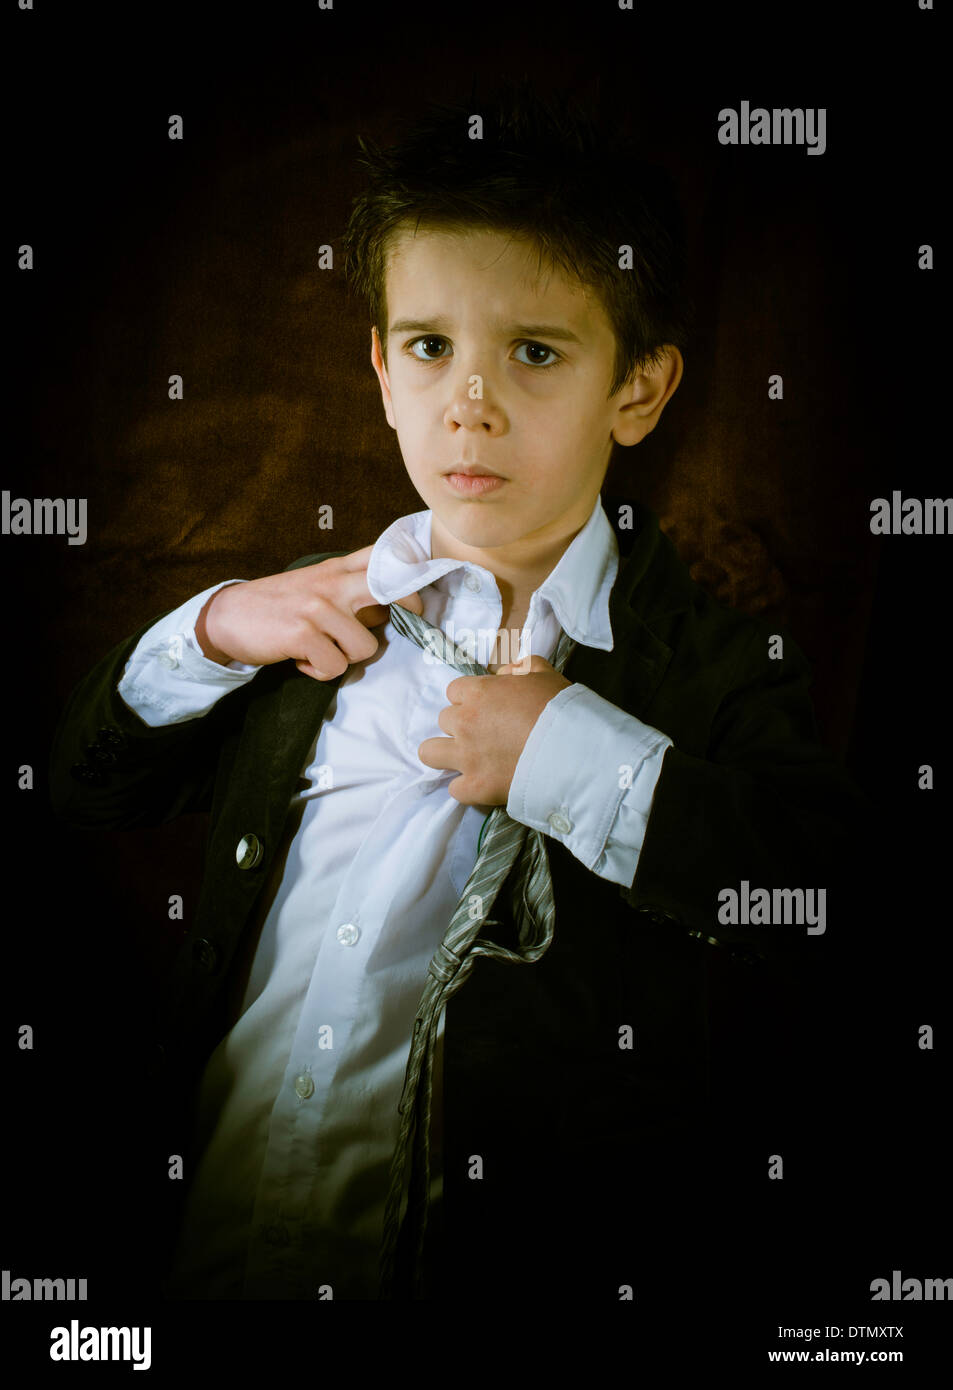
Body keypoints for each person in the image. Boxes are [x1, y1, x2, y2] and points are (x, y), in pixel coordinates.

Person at [49, 83, 866, 1302]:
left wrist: (568, 755)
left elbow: (820, 910)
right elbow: (80, 790)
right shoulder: (316, 619)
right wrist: (213, 627)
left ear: (635, 390)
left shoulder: (714, 668)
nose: (468, 402)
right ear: (381, 368)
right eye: (430, 346)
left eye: (533, 352)